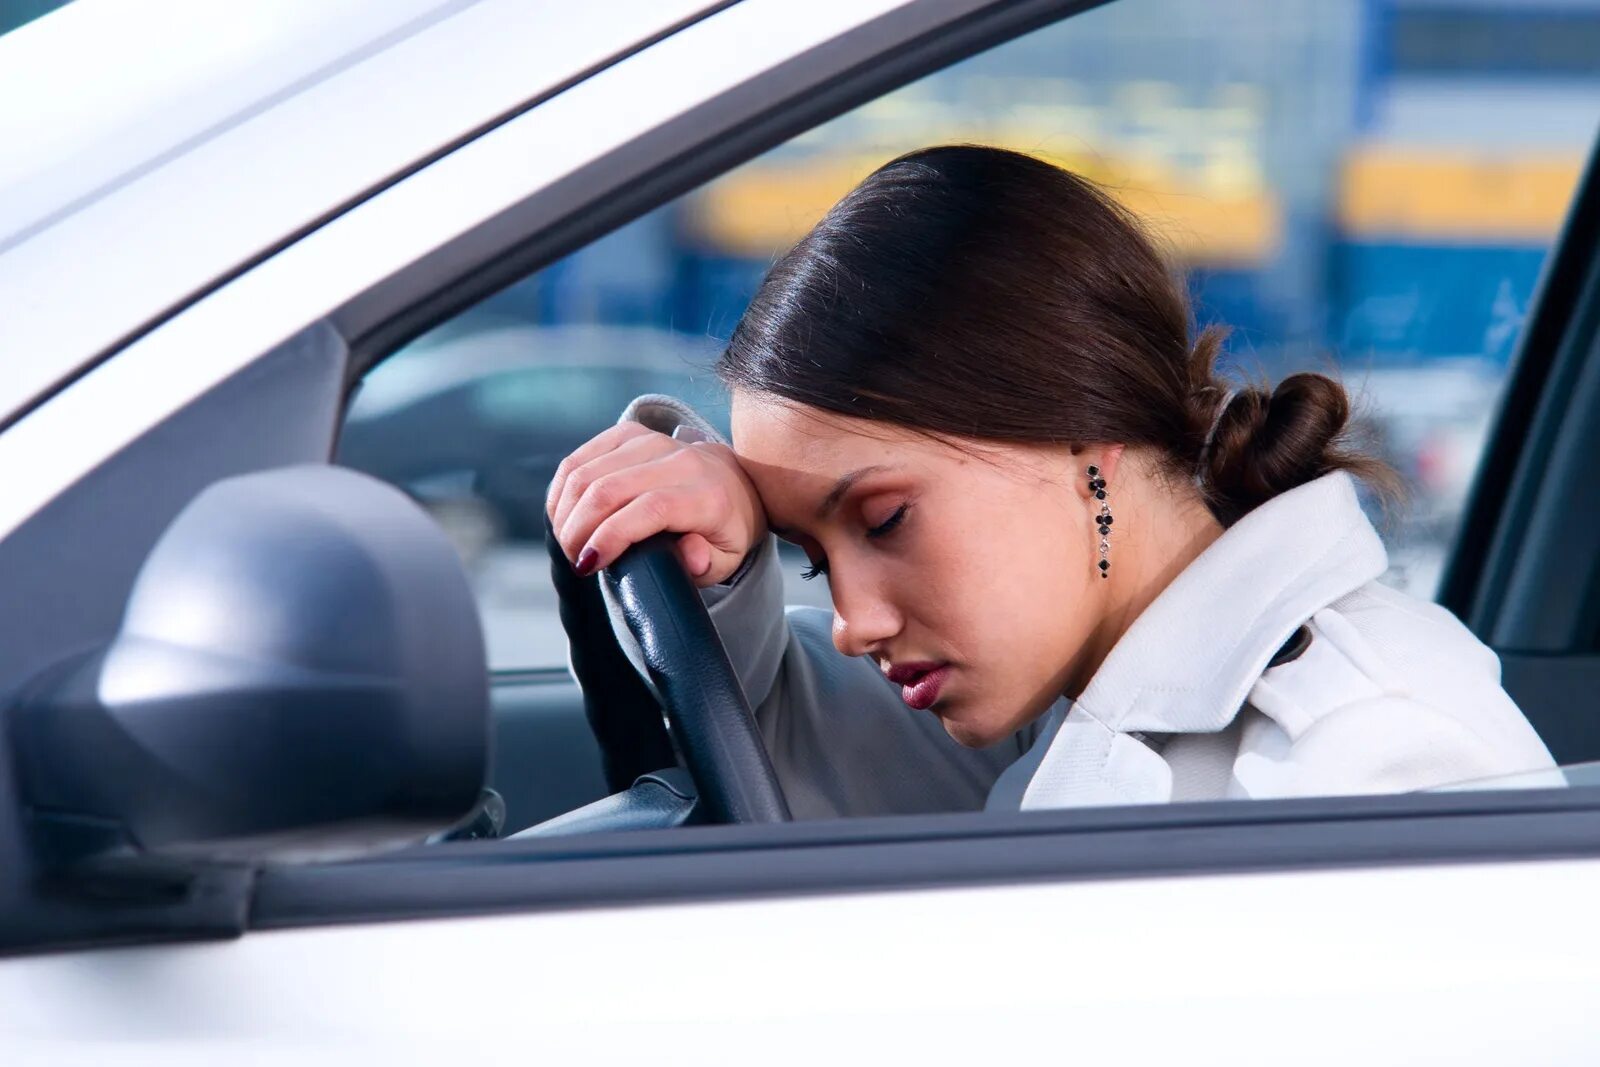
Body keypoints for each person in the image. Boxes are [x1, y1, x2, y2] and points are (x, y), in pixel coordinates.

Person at [544, 144, 1555, 819]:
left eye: (886, 519)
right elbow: (789, 779)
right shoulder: (1076, 680)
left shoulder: (1375, 753)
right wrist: (717, 548)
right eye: (811, 557)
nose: (850, 620)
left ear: (1087, 434)